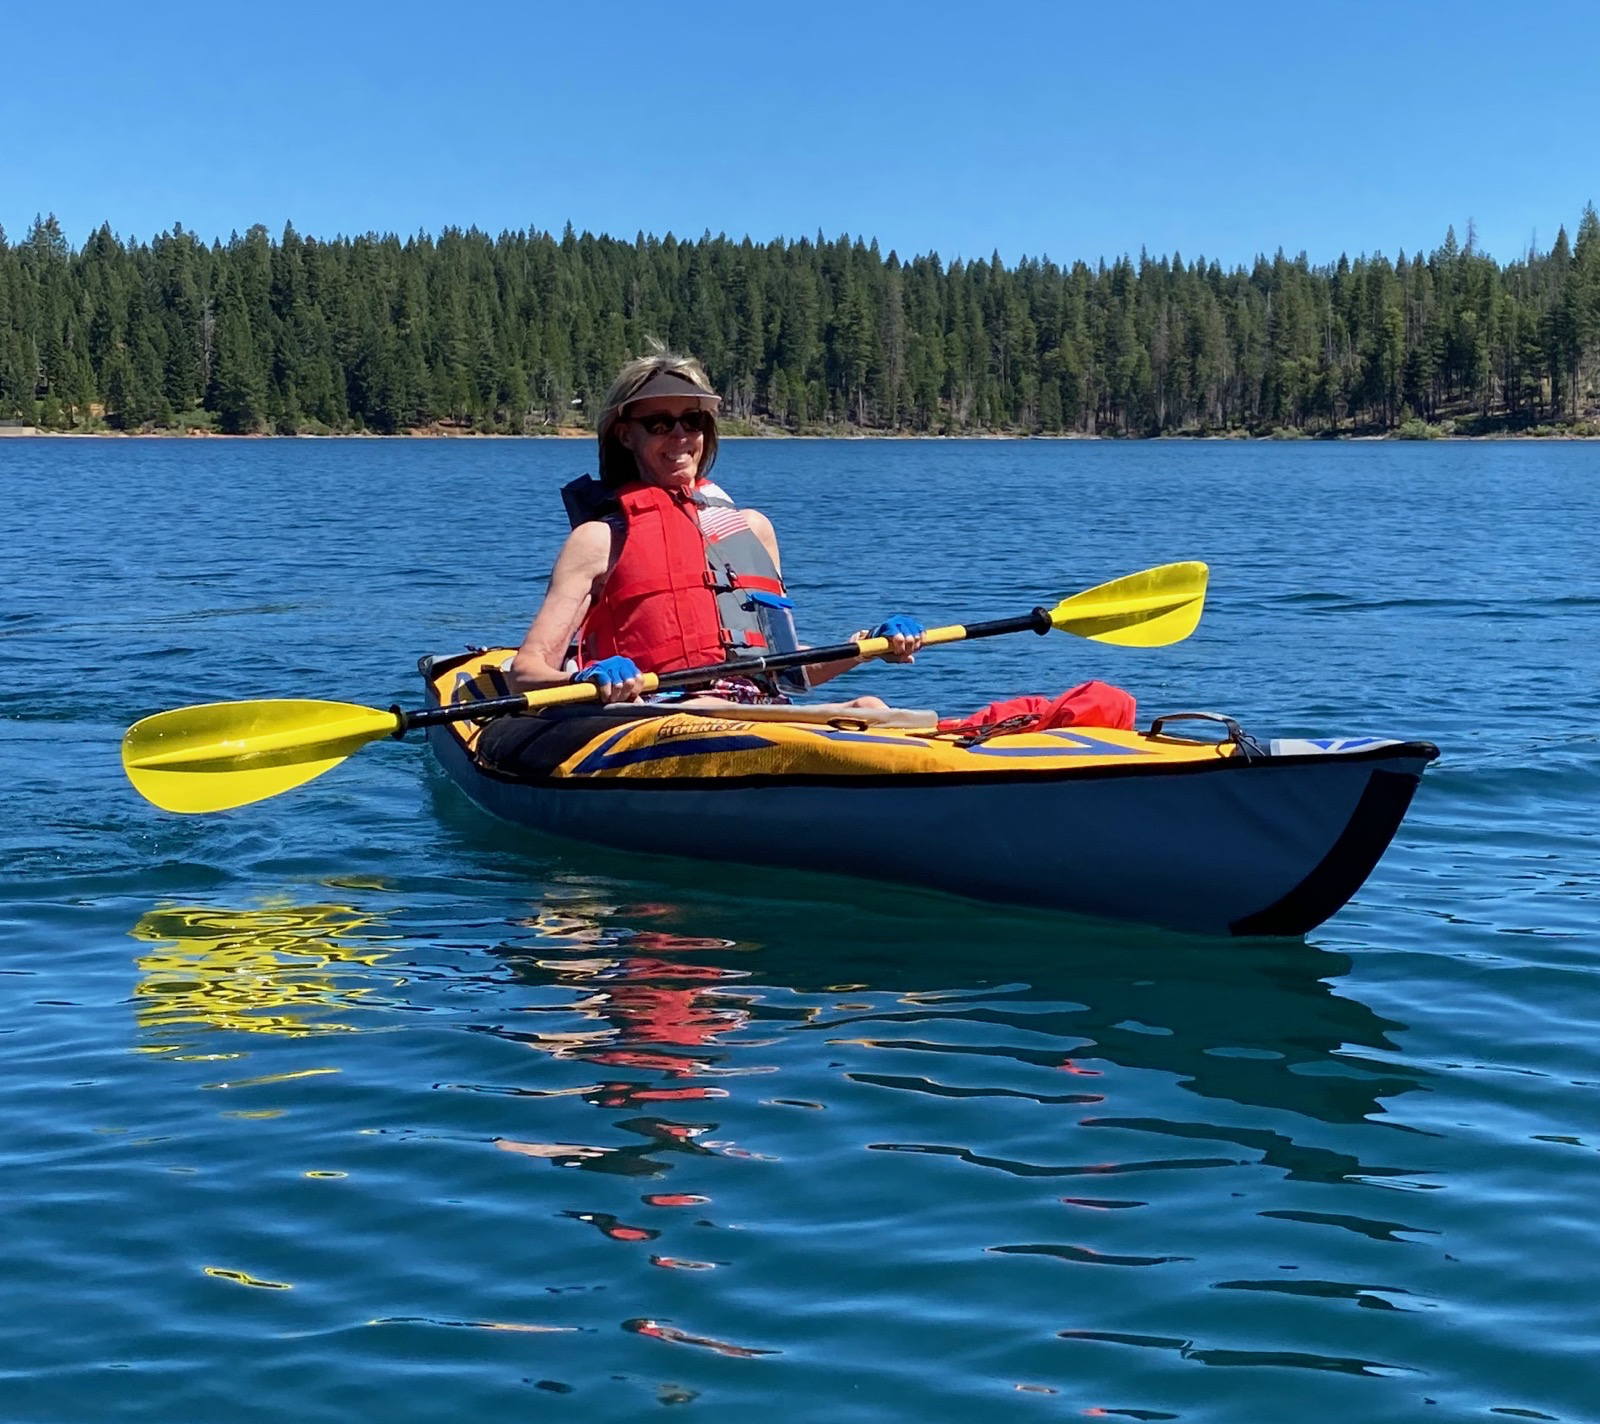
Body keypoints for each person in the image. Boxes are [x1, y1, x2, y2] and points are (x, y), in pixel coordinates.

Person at [507, 348, 923, 708]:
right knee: (709, 707)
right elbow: (525, 673)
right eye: (659, 423)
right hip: (659, 713)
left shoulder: (752, 529)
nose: (680, 435)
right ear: (626, 436)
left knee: (870, 705)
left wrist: (865, 646)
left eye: (693, 421)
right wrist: (585, 679)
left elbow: (786, 668)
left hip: (758, 709)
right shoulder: (599, 539)